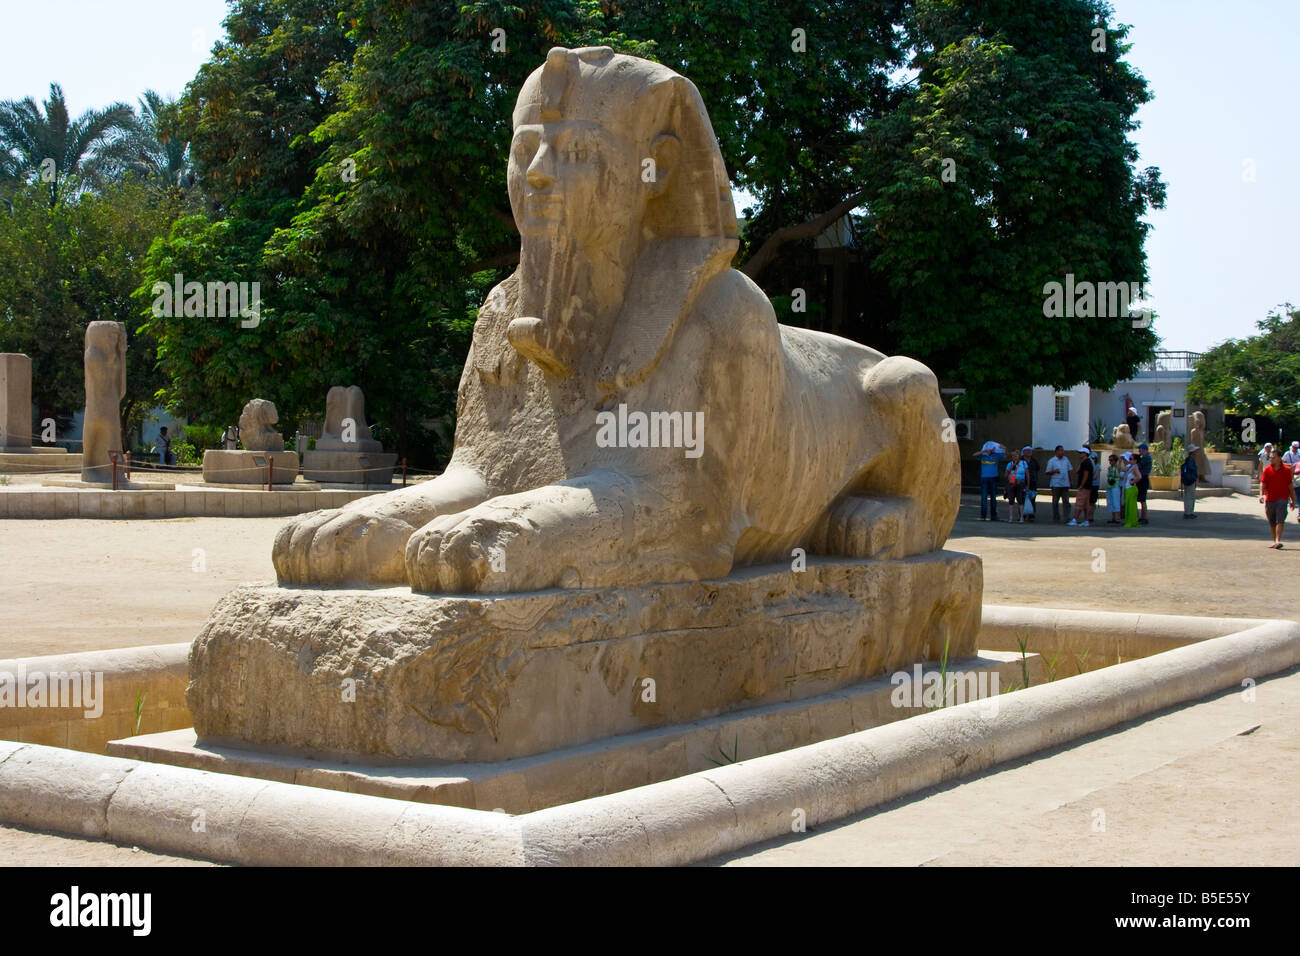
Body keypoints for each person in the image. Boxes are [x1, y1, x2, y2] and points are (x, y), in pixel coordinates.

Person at [1259, 447, 1298, 549]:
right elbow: (1263, 483)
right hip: (1270, 499)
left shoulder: (1286, 470)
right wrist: (1261, 495)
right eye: (1270, 457)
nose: (1271, 459)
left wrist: (1293, 500)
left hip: (1282, 498)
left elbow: (1290, 486)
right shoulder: (1267, 470)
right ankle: (1275, 540)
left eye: (1273, 457)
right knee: (1272, 521)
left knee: (1280, 520)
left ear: (1280, 458)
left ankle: (1278, 540)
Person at [976, 441, 1005, 521]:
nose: (990, 450)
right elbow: (974, 455)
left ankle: (993, 515)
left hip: (994, 478)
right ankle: (983, 515)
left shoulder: (996, 455)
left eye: (991, 448)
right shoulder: (983, 455)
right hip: (984, 478)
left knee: (993, 497)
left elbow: (1004, 454)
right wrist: (984, 451)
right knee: (984, 497)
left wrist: (1003, 448)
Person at [1044, 445, 1072, 522]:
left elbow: (1069, 470)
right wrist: (1054, 471)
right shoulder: (1052, 461)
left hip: (1065, 483)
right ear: (1056, 451)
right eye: (1060, 450)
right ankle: (1056, 516)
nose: (1062, 452)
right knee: (1055, 501)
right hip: (1056, 483)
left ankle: (1066, 516)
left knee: (1066, 501)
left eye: (1063, 450)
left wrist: (1070, 481)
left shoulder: (1066, 459)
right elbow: (1047, 472)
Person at [1068, 446, 1094, 526]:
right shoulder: (1086, 462)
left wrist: (1081, 485)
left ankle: (1075, 519)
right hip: (1088, 486)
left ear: (1085, 454)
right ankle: (1086, 520)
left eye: (1081, 453)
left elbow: (1085, 475)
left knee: (1079, 503)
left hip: (1084, 486)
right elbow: (1077, 471)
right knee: (1085, 504)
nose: (1080, 454)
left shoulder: (1086, 463)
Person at [1004, 448, 1027, 522]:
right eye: (1013, 456)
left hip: (1020, 483)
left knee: (1020, 500)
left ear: (1019, 456)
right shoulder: (1009, 464)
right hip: (1011, 483)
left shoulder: (1023, 463)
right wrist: (1011, 468)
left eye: (1016, 455)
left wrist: (1027, 485)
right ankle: (1011, 517)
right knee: (1011, 500)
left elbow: (1027, 474)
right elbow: (1005, 475)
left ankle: (1021, 517)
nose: (1014, 457)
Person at [1122, 452, 1141, 528]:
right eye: (1129, 458)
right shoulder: (1130, 466)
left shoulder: (1135, 467)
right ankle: (1129, 521)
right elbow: (1122, 469)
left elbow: (1139, 476)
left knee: (1131, 507)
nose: (1129, 460)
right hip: (1128, 488)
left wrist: (1133, 482)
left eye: (1131, 459)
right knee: (1128, 506)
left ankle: (1131, 522)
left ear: (1135, 460)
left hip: (1131, 488)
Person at [1180, 445, 1199, 518]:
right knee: (1190, 497)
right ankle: (1188, 513)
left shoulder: (1188, 459)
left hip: (1188, 480)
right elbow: (1192, 470)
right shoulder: (1191, 460)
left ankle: (1188, 512)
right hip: (1190, 480)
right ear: (1192, 452)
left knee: (1188, 496)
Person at [1021, 446, 1040, 522]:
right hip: (1022, 481)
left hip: (1033, 481)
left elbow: (1038, 468)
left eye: (1030, 451)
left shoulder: (1034, 461)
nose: (1029, 452)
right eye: (1027, 451)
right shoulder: (1020, 460)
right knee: (1022, 498)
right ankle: (1023, 514)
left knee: (1032, 497)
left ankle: (1031, 514)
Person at [1135, 442, 1153, 524]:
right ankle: (1142, 517)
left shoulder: (1146, 457)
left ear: (1144, 450)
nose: (1139, 451)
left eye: (1140, 449)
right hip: (1143, 478)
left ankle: (1144, 517)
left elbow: (1138, 466)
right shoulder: (1145, 457)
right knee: (1141, 499)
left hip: (1143, 479)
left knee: (1142, 499)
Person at [1106, 453, 1123, 523]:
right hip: (1109, 486)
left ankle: (1117, 518)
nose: (1110, 462)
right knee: (1110, 501)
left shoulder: (1117, 468)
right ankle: (1113, 517)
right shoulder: (1109, 468)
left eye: (1112, 460)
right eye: (1109, 460)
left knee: (1116, 501)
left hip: (1115, 486)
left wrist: (1120, 460)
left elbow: (1119, 471)